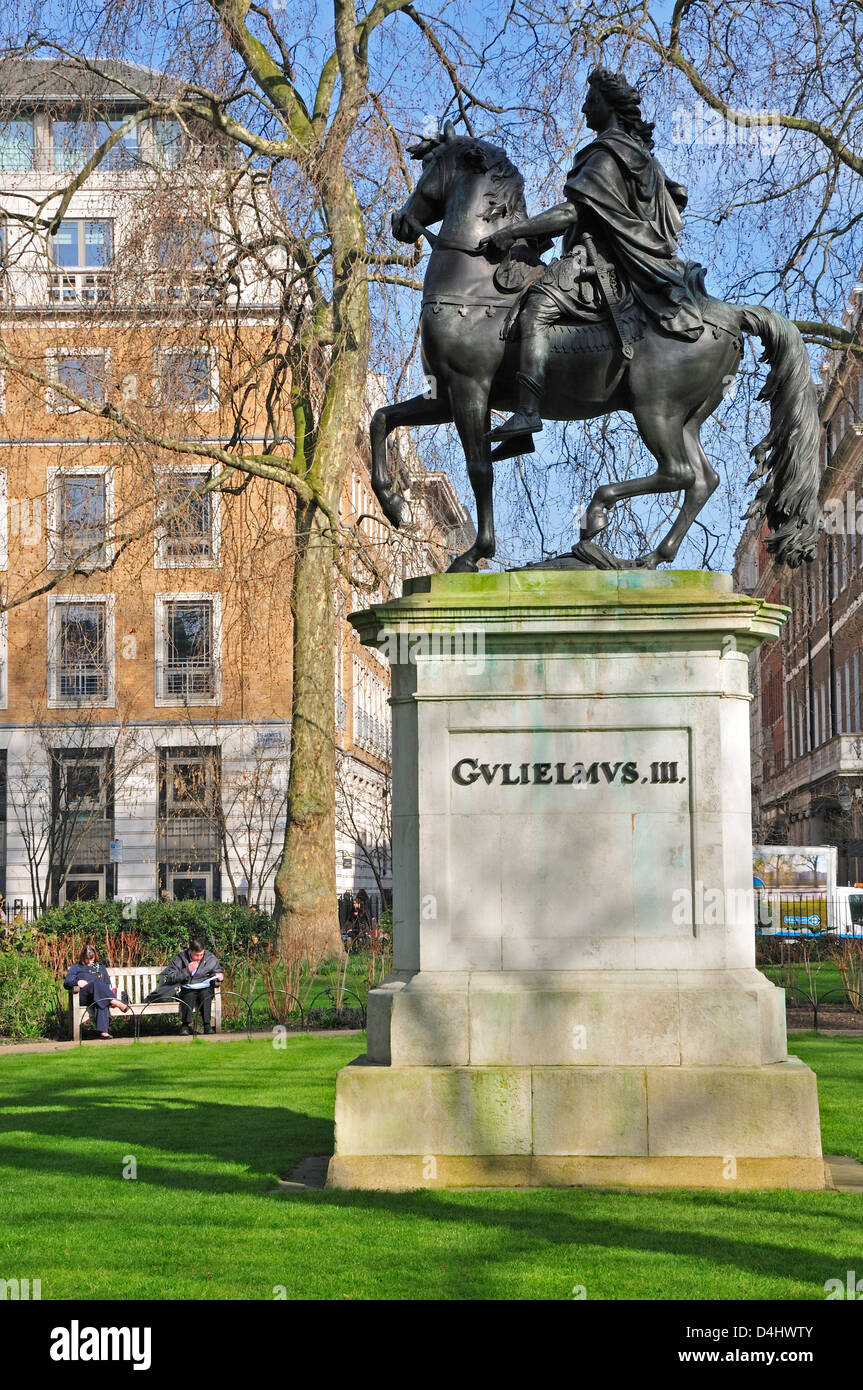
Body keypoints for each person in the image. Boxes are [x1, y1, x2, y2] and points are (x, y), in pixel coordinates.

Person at [483, 66, 705, 444]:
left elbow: (572, 213)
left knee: (535, 307)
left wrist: (511, 232)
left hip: (599, 269)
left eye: (590, 101)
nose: (584, 109)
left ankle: (527, 413)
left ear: (608, 104)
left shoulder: (607, 154)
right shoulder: (641, 157)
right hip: (623, 267)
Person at [63, 944, 131, 1040]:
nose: (89, 961)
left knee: (101, 999)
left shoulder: (99, 967)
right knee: (96, 984)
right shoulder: (77, 967)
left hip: (98, 997)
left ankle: (104, 1033)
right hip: (83, 996)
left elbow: (107, 983)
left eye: (92, 959)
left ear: (95, 957)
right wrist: (77, 982)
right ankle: (114, 1001)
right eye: (87, 959)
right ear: (83, 957)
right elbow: (67, 983)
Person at [160, 937, 224, 1034]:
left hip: (204, 986)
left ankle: (207, 1025)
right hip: (186, 987)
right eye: (196, 955)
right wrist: (186, 971)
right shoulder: (180, 958)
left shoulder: (210, 958)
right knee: (189, 995)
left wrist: (219, 975)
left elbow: (218, 970)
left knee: (206, 994)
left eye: (201, 955)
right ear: (190, 951)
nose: (199, 958)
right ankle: (185, 1025)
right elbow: (171, 977)